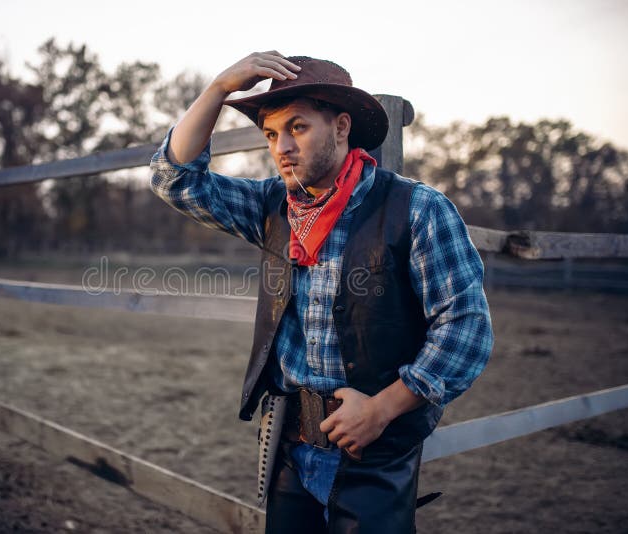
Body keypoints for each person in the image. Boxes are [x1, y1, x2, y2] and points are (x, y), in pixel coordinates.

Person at [149, 52, 493, 533]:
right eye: (271, 134)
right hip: (291, 445)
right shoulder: (273, 206)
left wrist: (381, 408)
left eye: (298, 127)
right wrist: (219, 88)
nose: (281, 147)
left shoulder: (417, 209)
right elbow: (176, 180)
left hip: (375, 451)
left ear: (341, 127)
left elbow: (466, 328)